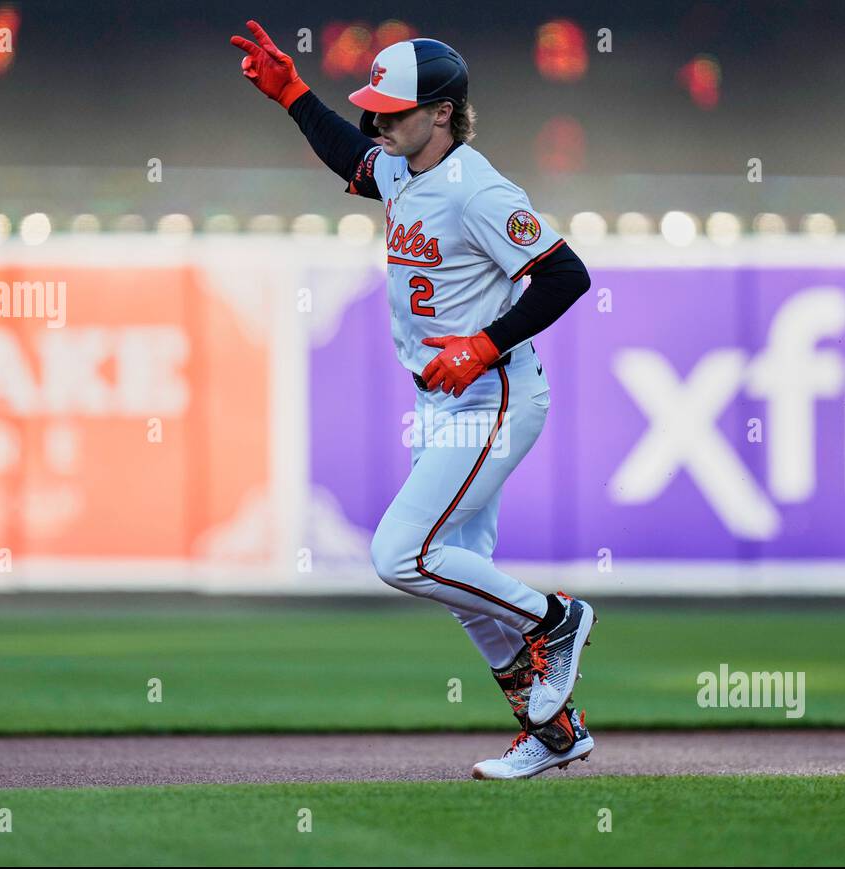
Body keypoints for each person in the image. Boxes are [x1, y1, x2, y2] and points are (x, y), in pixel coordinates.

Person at [231, 21, 596, 779]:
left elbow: (567, 276)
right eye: (376, 108)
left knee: (401, 554)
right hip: (443, 400)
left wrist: (485, 343)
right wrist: (294, 95)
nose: (377, 122)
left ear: (442, 113)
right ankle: (555, 734)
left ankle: (557, 620)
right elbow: (352, 156)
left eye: (393, 112)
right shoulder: (401, 168)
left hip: (494, 395)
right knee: (461, 575)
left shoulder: (479, 190)